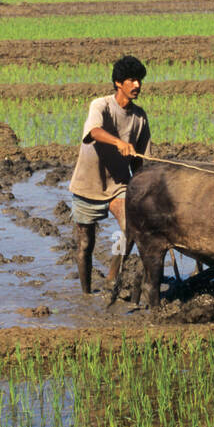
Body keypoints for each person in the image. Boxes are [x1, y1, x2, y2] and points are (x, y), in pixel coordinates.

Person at [68, 54, 150, 294]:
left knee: (130, 229)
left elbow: (140, 162)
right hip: (88, 183)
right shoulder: (100, 105)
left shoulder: (140, 117)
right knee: (85, 245)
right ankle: (86, 293)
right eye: (132, 80)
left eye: (140, 80)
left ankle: (112, 279)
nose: (137, 85)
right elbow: (93, 131)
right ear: (118, 83)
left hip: (119, 185)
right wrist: (118, 143)